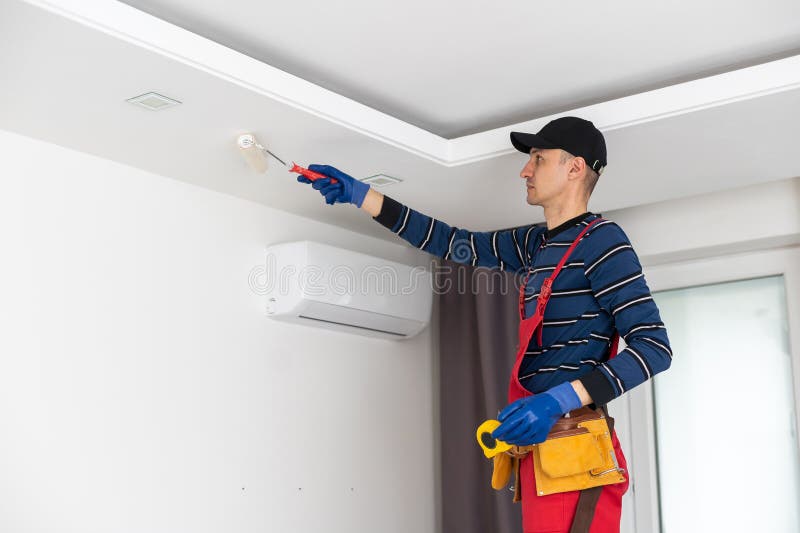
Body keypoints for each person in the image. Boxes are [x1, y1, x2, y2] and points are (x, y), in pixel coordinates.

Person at [296, 116, 672, 533]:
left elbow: (654, 349)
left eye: (538, 158)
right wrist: (362, 195)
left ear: (574, 168)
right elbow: (449, 241)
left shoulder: (605, 242)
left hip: (574, 448)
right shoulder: (536, 243)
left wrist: (557, 400)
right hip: (543, 449)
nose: (524, 170)